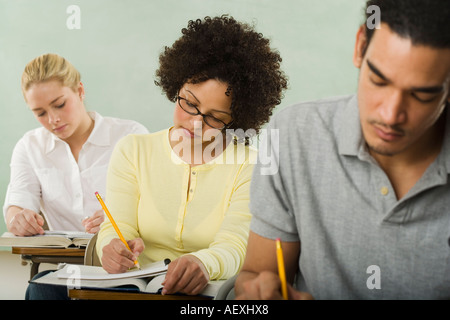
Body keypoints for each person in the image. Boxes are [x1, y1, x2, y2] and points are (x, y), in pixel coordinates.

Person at [235, 0, 450, 300]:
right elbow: (256, 275)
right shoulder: (292, 136)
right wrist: (262, 293)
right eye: (379, 80)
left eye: (421, 95)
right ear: (360, 45)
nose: (390, 115)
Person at [96, 15, 288, 296]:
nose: (195, 124)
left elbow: (235, 244)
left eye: (214, 118)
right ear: (175, 86)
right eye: (190, 103)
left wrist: (203, 263)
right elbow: (117, 226)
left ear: (234, 120)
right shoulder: (133, 150)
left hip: (209, 293)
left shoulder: (250, 165)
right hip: (135, 287)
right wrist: (111, 247)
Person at [3, 53, 148, 236]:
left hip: (129, 256)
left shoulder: (130, 136)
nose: (53, 119)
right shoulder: (29, 147)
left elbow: (158, 203)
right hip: (65, 262)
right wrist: (17, 220)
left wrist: (121, 217)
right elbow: (18, 203)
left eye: (60, 104)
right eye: (40, 113)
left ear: (80, 91)